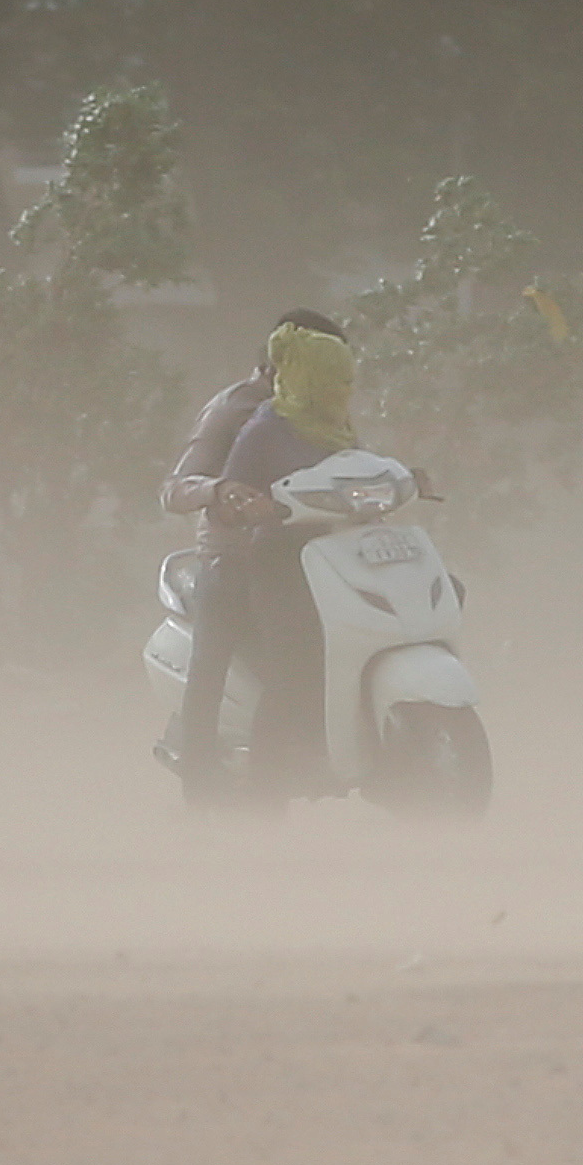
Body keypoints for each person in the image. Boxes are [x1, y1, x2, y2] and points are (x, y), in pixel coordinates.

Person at [212, 312, 359, 806]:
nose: (344, 388)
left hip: (333, 553)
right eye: (334, 377)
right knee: (294, 660)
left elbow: (359, 471)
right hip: (278, 561)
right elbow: (233, 495)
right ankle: (267, 785)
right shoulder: (262, 429)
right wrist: (246, 506)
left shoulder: (335, 428)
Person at [158, 321, 286, 806]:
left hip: (298, 558)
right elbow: (174, 488)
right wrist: (218, 490)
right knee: (207, 670)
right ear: (277, 366)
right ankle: (199, 793)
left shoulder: (317, 414)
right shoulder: (233, 410)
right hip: (233, 560)